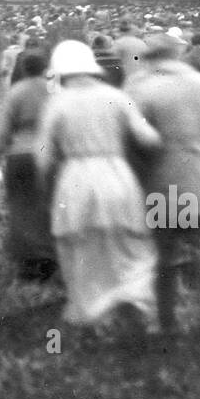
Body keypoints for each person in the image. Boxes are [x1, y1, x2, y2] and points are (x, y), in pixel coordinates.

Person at [34, 40, 159, 341]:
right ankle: (135, 300)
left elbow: (43, 157)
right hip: (117, 177)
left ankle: (96, 319)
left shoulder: (57, 104)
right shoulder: (117, 97)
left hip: (75, 181)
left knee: (82, 252)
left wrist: (45, 189)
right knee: (130, 247)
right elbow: (150, 140)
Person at [125, 34, 200, 350]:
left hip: (161, 187)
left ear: (151, 58)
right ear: (178, 55)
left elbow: (131, 140)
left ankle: (168, 325)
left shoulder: (139, 87)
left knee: (163, 258)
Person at [0, 49, 56, 282]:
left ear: (24, 69)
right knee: (48, 207)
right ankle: (50, 259)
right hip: (49, 155)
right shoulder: (54, 90)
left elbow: (3, 130)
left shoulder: (16, 92)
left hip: (21, 156)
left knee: (21, 210)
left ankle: (28, 263)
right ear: (46, 68)